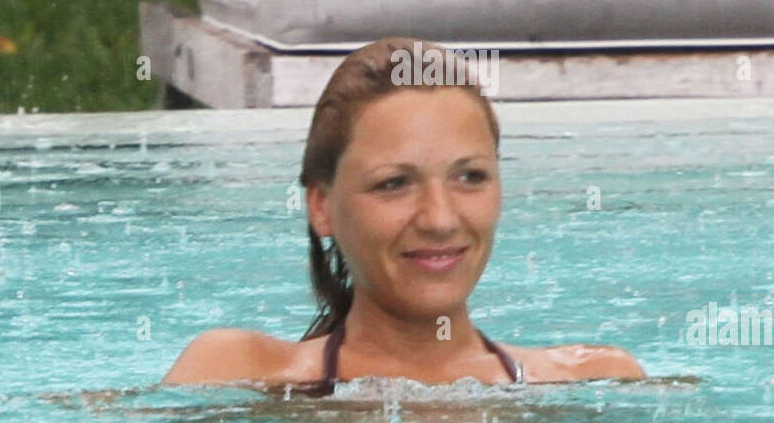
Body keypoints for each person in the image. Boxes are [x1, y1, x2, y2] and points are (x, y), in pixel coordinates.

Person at [162, 36, 646, 393]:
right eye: (394, 184)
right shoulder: (237, 374)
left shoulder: (595, 382)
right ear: (321, 206)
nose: (439, 219)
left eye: (469, 177)